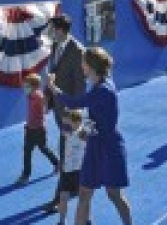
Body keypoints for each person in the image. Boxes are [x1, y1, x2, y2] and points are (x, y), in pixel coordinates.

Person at [49, 47, 132, 225]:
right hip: (95, 146)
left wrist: (53, 88)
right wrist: (88, 129)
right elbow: (95, 117)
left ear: (90, 65)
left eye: (83, 62)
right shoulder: (98, 83)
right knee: (85, 193)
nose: (81, 66)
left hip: (109, 148)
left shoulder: (103, 89)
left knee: (114, 194)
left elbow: (74, 103)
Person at [43, 14, 85, 211]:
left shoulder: (77, 50)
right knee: (72, 152)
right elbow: (54, 75)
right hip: (59, 107)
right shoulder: (55, 46)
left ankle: (60, 198)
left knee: (65, 153)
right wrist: (47, 98)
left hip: (69, 111)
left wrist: (75, 113)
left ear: (59, 30)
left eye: (51, 28)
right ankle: (76, 186)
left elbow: (80, 84)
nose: (49, 32)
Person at [17, 73, 58, 185]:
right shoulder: (30, 96)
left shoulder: (38, 96)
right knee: (27, 152)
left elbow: (46, 108)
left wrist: (46, 101)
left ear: (34, 86)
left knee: (43, 148)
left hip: (39, 129)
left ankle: (57, 163)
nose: (24, 87)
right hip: (30, 128)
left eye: (26, 85)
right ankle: (25, 175)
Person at [55, 108, 88, 225]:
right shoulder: (66, 133)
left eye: (68, 122)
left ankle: (87, 220)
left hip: (79, 171)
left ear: (77, 122)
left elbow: (89, 126)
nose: (65, 124)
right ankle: (61, 222)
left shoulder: (83, 133)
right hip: (67, 170)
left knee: (83, 198)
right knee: (63, 197)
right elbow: (64, 150)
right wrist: (60, 162)